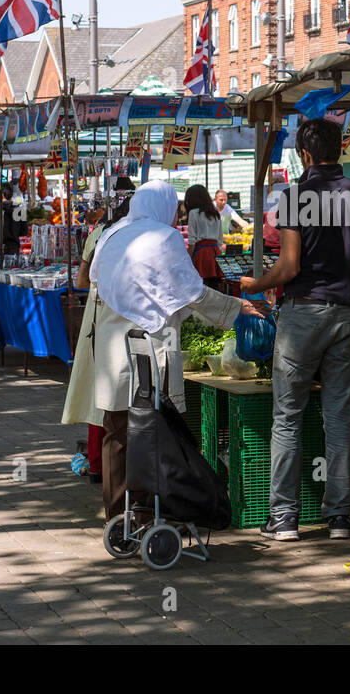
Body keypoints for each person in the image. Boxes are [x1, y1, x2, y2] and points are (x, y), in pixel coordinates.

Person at [240, 117, 350, 541]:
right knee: (340, 416)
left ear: (304, 155)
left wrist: (257, 284)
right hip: (346, 316)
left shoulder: (294, 197)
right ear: (340, 150)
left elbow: (289, 266)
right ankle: (339, 517)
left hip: (301, 316)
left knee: (287, 416)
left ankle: (285, 518)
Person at [90, 181, 261, 518]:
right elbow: (192, 292)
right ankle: (151, 509)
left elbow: (97, 279)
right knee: (155, 429)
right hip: (150, 345)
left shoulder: (112, 234)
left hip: (112, 345)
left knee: (117, 430)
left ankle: (117, 513)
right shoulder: (163, 238)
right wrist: (236, 307)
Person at [62, 220, 110, 484]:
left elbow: (81, 279)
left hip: (96, 315)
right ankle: (106, 465)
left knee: (98, 391)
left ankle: (97, 463)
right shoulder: (140, 235)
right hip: (120, 320)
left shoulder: (97, 234)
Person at [183, 184, 223, 286]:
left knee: (201, 287)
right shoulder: (216, 213)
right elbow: (220, 240)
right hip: (215, 252)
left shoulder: (193, 213)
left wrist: (188, 259)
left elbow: (192, 241)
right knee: (214, 287)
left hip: (201, 253)